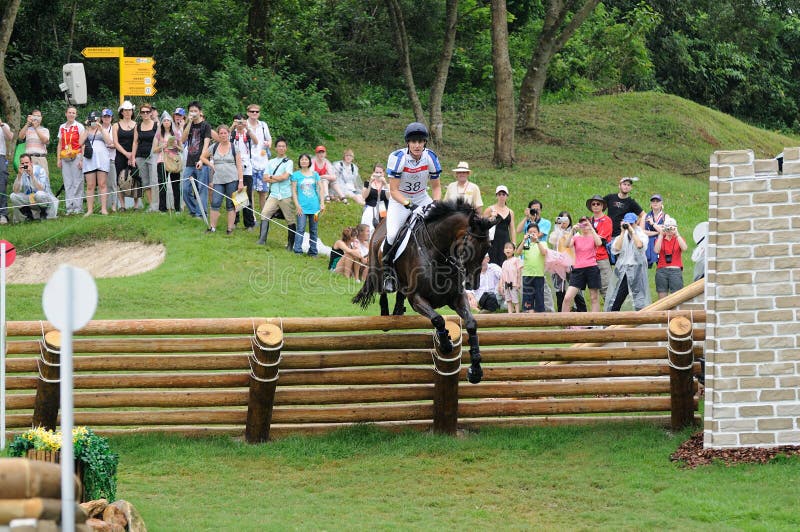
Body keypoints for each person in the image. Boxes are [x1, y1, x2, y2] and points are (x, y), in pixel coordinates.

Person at [383, 122, 442, 291]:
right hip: (400, 200)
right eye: (413, 141)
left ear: (425, 143)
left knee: (440, 226)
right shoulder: (398, 158)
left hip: (423, 197)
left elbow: (437, 187)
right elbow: (393, 190)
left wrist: (435, 204)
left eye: (420, 141)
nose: (417, 145)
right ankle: (387, 272)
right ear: (407, 143)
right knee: (393, 233)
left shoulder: (430, 157)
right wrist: (409, 205)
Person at [200, 125, 244, 234]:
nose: (223, 135)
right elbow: (202, 157)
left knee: (230, 204)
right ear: (218, 135)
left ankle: (229, 229)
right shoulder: (214, 147)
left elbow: (239, 166)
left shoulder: (234, 148)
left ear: (228, 134)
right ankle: (212, 227)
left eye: (225, 133)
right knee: (215, 202)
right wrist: (210, 164)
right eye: (221, 133)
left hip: (232, 179)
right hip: (218, 180)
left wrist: (241, 182)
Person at [604, 213, 650, 311]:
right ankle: (612, 318)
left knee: (639, 297)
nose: (629, 225)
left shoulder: (641, 234)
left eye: (631, 223)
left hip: (637, 269)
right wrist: (622, 232)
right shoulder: (622, 235)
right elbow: (616, 248)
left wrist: (632, 232)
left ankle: (641, 319)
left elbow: (639, 245)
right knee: (618, 296)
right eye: (627, 223)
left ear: (636, 222)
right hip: (624, 270)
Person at [257, 137, 294, 246]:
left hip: (285, 194)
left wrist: (272, 177)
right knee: (264, 214)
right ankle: (262, 240)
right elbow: (264, 178)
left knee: (290, 219)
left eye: (283, 146)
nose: (281, 148)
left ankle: (290, 244)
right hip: (273, 194)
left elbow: (285, 177)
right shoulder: (270, 162)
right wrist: (276, 178)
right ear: (276, 148)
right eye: (279, 146)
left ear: (286, 148)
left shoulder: (289, 162)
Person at [562, 216, 603, 315]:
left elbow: (599, 243)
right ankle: (563, 322)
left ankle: (594, 322)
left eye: (586, 224)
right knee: (568, 297)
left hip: (592, 268)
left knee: (594, 297)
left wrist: (591, 228)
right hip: (578, 269)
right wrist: (572, 231)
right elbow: (567, 245)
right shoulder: (576, 237)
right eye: (582, 224)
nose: (584, 227)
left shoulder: (593, 236)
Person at [549, 211, 587, 313]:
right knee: (559, 289)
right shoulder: (556, 232)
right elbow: (552, 241)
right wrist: (558, 228)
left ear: (570, 220)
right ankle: (561, 313)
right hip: (558, 264)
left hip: (572, 264)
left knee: (575, 287)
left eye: (566, 219)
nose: (564, 222)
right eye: (562, 219)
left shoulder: (575, 232)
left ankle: (582, 311)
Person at [182, 101, 213, 218]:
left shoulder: (206, 125)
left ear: (200, 112)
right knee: (185, 189)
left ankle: (201, 213)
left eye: (195, 111)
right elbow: (183, 139)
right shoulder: (188, 125)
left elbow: (206, 144)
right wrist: (189, 122)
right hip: (189, 161)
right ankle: (194, 210)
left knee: (201, 189)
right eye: (191, 111)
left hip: (202, 162)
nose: (193, 113)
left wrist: (202, 159)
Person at [78, 111, 112, 216]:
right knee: (90, 185)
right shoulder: (86, 130)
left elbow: (109, 142)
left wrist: (100, 128)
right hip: (89, 159)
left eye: (95, 120)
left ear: (99, 120)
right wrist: (87, 128)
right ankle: (89, 210)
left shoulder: (103, 130)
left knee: (102, 184)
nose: (94, 122)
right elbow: (80, 142)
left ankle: (103, 209)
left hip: (102, 159)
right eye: (92, 120)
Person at [291, 153, 325, 256]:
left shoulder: (315, 175)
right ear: (299, 162)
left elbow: (321, 189)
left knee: (313, 230)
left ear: (309, 162)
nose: (304, 161)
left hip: (315, 208)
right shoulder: (295, 175)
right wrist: (297, 205)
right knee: (300, 228)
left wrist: (322, 203)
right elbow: (294, 192)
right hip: (302, 208)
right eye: (302, 159)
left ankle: (313, 251)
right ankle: (297, 250)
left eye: (306, 159)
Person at [9, 154, 58, 222]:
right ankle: (28, 215)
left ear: (31, 162)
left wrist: (32, 175)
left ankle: (43, 213)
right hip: (30, 197)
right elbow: (15, 191)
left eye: (27, 163)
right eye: (22, 163)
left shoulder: (40, 170)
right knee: (13, 196)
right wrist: (19, 175)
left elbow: (41, 189)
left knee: (39, 194)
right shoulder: (22, 172)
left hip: (45, 198)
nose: (25, 165)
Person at [56, 106, 85, 215]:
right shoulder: (62, 127)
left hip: (76, 156)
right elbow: (60, 144)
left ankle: (78, 208)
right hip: (65, 157)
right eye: (70, 112)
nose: (71, 114)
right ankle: (69, 208)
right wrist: (58, 159)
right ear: (66, 113)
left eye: (73, 113)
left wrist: (82, 159)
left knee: (77, 182)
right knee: (68, 183)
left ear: (76, 115)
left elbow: (82, 144)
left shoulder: (79, 126)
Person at [152, 112, 183, 212]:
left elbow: (181, 149)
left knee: (176, 185)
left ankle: (177, 208)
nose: (166, 122)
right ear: (161, 123)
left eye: (168, 121)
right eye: (164, 121)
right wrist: (162, 146)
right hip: (162, 160)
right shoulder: (158, 134)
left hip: (174, 160)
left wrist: (175, 146)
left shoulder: (176, 133)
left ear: (171, 122)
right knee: (162, 185)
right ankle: (162, 208)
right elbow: (154, 150)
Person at [230, 114, 256, 230]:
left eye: (241, 122)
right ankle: (234, 220)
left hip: (247, 168)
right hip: (233, 167)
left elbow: (256, 141)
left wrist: (247, 127)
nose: (239, 124)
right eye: (237, 122)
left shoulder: (247, 133)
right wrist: (232, 127)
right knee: (235, 194)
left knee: (247, 194)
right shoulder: (232, 133)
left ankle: (249, 223)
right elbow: (223, 140)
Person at [246, 104, 272, 212]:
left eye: (257, 111)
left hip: (263, 161)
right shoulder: (245, 125)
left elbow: (270, 140)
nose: (254, 113)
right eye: (252, 111)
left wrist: (268, 144)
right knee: (250, 191)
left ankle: (264, 215)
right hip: (249, 162)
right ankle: (252, 217)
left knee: (263, 191)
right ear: (248, 113)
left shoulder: (263, 125)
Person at [517, 224, 549, 313]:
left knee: (539, 296)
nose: (532, 234)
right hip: (527, 274)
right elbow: (518, 252)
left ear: (538, 233)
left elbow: (543, 253)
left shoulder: (542, 243)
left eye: (534, 232)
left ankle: (539, 313)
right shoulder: (526, 244)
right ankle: (528, 311)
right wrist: (524, 240)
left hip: (539, 274)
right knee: (527, 295)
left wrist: (537, 241)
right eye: (530, 232)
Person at [653, 215, 687, 299]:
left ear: (675, 228)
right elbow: (656, 250)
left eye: (671, 228)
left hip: (675, 270)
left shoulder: (679, 239)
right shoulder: (660, 239)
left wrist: (677, 234)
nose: (669, 230)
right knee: (662, 298)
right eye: (667, 228)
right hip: (661, 270)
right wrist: (661, 235)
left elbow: (684, 248)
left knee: (676, 297)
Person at [113, 100, 138, 210]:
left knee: (135, 179)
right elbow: (115, 142)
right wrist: (125, 154)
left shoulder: (136, 125)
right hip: (120, 155)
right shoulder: (116, 125)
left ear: (132, 112)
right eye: (125, 110)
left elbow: (136, 141)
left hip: (133, 154)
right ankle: (122, 205)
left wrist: (132, 155)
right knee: (119, 180)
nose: (127, 112)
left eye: (129, 110)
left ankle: (136, 205)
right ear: (121, 112)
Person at [587, 194, 613, 298]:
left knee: (606, 289)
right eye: (593, 204)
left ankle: (612, 313)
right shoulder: (589, 220)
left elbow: (601, 240)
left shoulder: (607, 220)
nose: (596, 206)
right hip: (589, 258)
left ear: (602, 206)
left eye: (598, 204)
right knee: (593, 291)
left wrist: (591, 234)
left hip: (602, 258)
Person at [484, 185, 516, 267]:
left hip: (505, 239)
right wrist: (491, 218)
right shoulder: (490, 209)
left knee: (505, 262)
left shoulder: (510, 212)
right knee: (492, 263)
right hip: (493, 240)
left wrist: (514, 243)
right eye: (499, 194)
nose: (501, 196)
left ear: (507, 196)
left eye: (503, 194)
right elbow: (482, 224)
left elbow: (512, 228)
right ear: (496, 196)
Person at [135, 103, 158, 210]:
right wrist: (132, 157)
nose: (145, 114)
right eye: (143, 112)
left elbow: (161, 140)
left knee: (154, 180)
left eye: (147, 112)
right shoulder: (138, 126)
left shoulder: (156, 125)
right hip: (140, 156)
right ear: (140, 114)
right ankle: (151, 205)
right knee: (145, 181)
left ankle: (156, 204)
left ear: (150, 113)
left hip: (153, 156)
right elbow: (135, 142)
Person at [17, 109, 50, 177]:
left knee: (43, 180)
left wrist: (36, 128)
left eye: (38, 116)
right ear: (31, 117)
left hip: (41, 158)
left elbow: (45, 141)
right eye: (34, 116)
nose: (36, 118)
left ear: (41, 118)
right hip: (28, 159)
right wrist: (27, 123)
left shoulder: (45, 130)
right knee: (28, 179)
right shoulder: (27, 129)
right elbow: (20, 137)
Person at [99, 109, 119, 213]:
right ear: (101, 118)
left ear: (111, 118)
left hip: (111, 158)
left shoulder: (115, 128)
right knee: (102, 184)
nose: (106, 118)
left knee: (112, 184)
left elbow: (118, 143)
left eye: (108, 117)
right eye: (105, 117)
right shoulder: (98, 128)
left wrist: (113, 145)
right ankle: (103, 206)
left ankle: (114, 205)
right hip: (100, 160)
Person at [360, 163, 388, 233]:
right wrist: (370, 183)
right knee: (368, 229)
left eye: (380, 172)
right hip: (370, 207)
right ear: (373, 173)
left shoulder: (387, 185)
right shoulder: (367, 183)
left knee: (381, 230)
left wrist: (385, 184)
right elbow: (364, 196)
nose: (378, 174)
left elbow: (389, 197)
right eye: (376, 172)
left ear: (383, 173)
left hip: (382, 208)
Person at [499, 242, 523, 313]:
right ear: (503, 250)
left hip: (514, 284)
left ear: (514, 250)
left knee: (515, 300)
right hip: (506, 284)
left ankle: (517, 313)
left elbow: (519, 272)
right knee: (508, 300)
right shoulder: (504, 263)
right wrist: (501, 285)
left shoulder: (516, 260)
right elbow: (502, 275)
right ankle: (510, 314)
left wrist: (518, 283)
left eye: (510, 248)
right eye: (506, 248)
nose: (508, 250)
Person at [643, 193, 666, 268]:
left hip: (661, 242)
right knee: (644, 267)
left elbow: (665, 231)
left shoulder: (665, 216)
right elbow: (642, 231)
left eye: (657, 201)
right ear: (651, 203)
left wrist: (653, 224)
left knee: (662, 266)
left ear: (661, 203)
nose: (655, 203)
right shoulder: (645, 216)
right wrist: (658, 231)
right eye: (653, 201)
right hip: (648, 243)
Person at [0, 115, 12, 225]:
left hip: (1, 157)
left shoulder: (4, 126)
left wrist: (2, 124)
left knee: (1, 186)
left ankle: (3, 214)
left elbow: (10, 137)